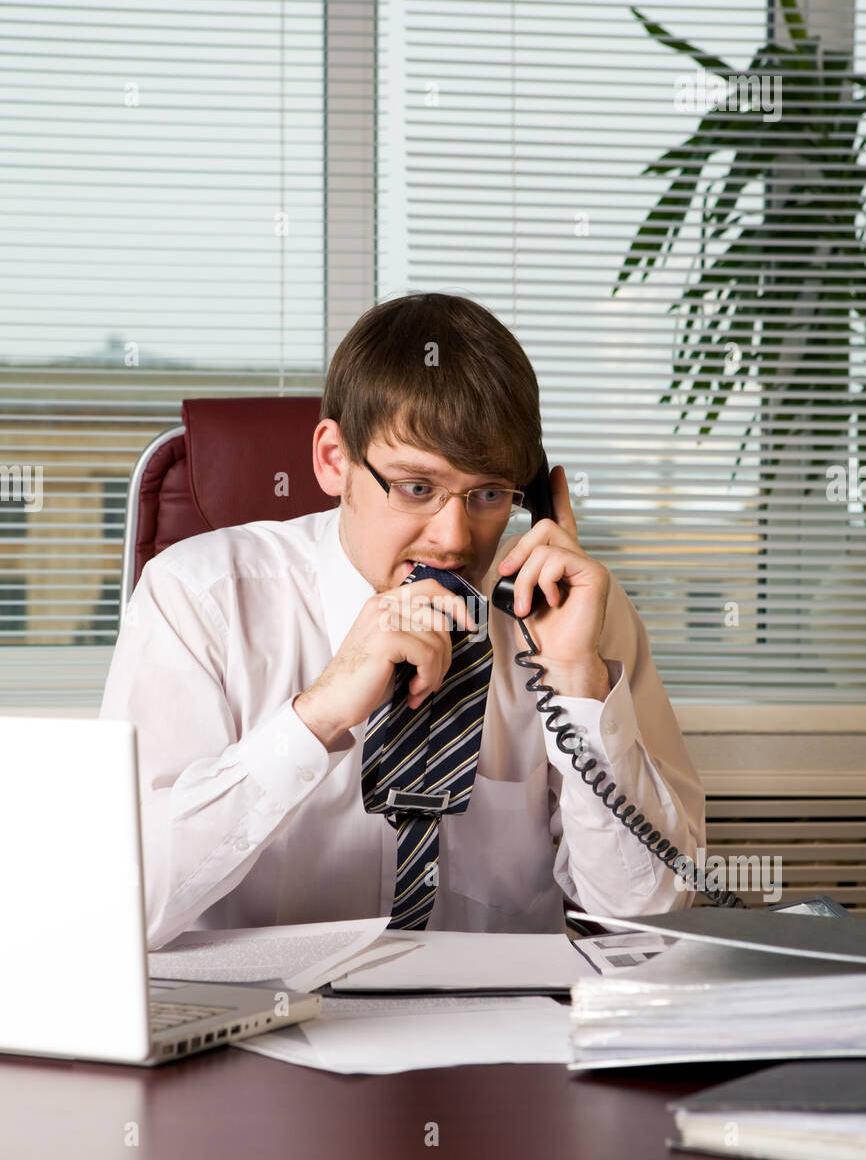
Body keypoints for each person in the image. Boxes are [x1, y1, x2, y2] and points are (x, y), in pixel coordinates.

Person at [100, 292, 703, 949]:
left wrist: (577, 686)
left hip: (502, 1029)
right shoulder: (200, 598)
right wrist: (315, 718)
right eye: (418, 488)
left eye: (488, 494)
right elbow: (117, 908)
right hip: (260, 1031)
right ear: (334, 460)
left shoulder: (573, 618)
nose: (452, 538)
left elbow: (653, 923)